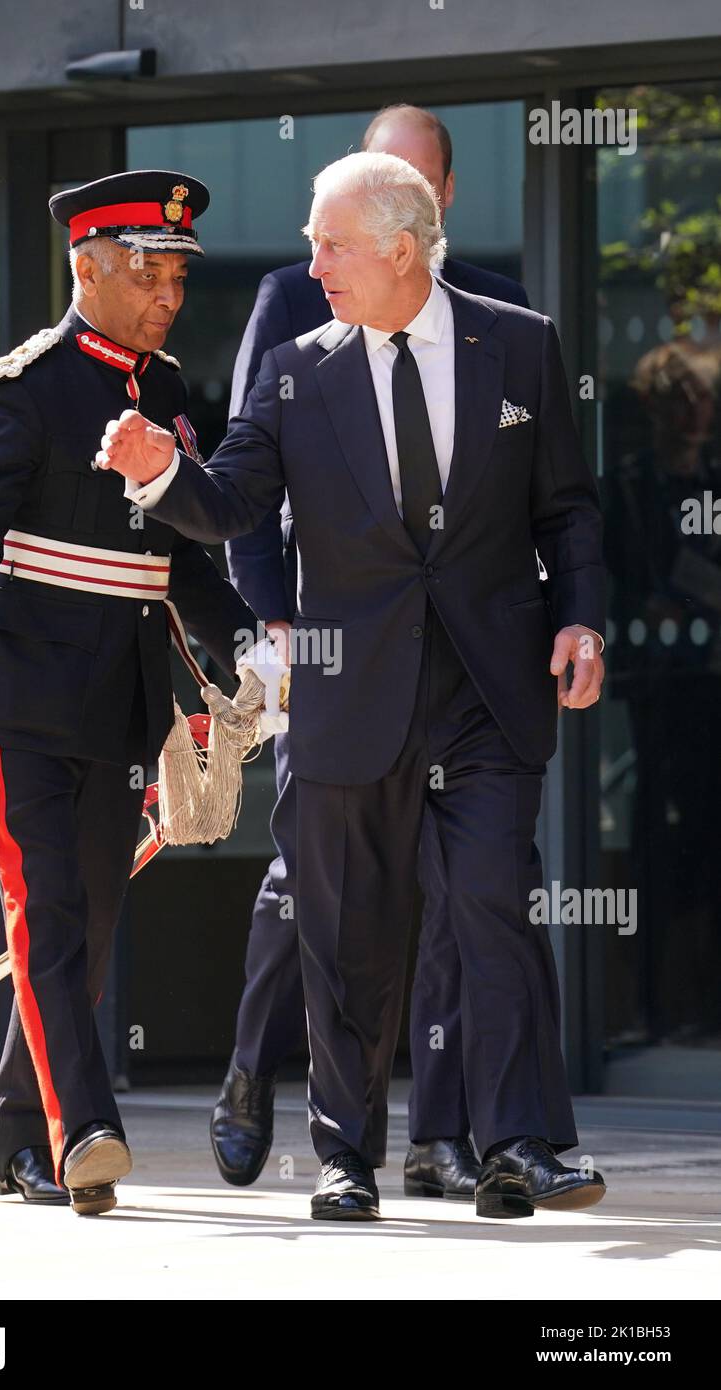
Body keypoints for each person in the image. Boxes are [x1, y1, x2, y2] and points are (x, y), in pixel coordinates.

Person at [99, 151, 609, 1221]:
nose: (312, 262)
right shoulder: (294, 369)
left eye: (330, 243)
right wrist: (157, 471)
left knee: (491, 910)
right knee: (347, 935)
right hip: (349, 696)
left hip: (485, 691)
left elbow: (568, 507)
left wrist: (579, 618)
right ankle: (346, 1156)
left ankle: (518, 1143)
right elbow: (233, 502)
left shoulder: (520, 346)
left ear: (402, 249)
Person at [0, 171, 269, 1217]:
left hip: (117, 705)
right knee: (46, 911)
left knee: (87, 927)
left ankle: (14, 1135)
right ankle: (86, 1132)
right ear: (87, 267)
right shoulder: (24, 386)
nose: (167, 294)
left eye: (177, 276)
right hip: (18, 694)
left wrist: (243, 643)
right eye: (147, 272)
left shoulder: (168, 392)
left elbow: (182, 557)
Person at [214, 103, 531, 1198]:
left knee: (452, 896)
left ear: (430, 212)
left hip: (452, 665)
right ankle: (255, 1071)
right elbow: (243, 478)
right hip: (332, 645)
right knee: (310, 881)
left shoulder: (498, 313)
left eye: (411, 179)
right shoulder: (298, 296)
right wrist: (273, 619)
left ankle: (439, 1133)